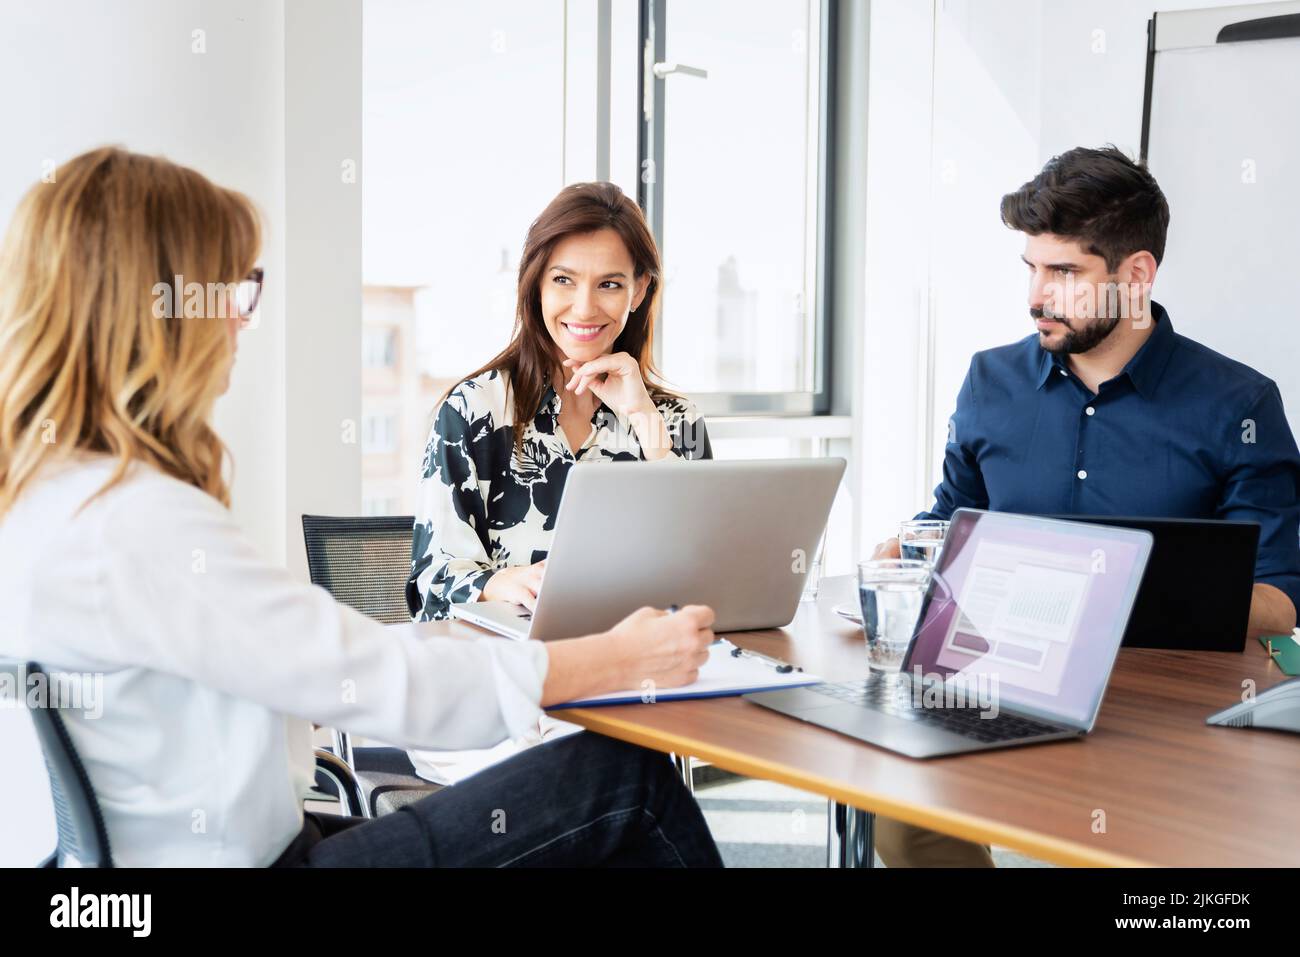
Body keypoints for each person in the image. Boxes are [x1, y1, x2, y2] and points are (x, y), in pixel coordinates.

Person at [0, 146, 723, 867]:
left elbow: (312, 664)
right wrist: (610, 659)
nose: (240, 323)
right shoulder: (134, 520)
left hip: (249, 844)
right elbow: (378, 680)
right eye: (232, 291)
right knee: (628, 780)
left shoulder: (56, 498)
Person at [872, 145, 1300, 867]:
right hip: (1003, 684)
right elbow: (953, 515)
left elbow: (1281, 603)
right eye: (1032, 269)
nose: (1037, 296)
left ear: (1135, 275)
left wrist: (1111, 591)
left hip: (1168, 713)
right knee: (899, 814)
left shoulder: (1239, 404)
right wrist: (908, 550)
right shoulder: (990, 380)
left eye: (1064, 272)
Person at [403, 183, 712, 784]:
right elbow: (430, 584)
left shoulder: (674, 422)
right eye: (564, 280)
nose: (585, 307)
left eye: (610, 284)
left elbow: (701, 576)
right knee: (591, 774)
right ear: (535, 283)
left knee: (609, 765)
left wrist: (645, 424)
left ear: (640, 290)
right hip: (487, 692)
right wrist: (500, 581)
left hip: (618, 690)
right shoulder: (475, 410)